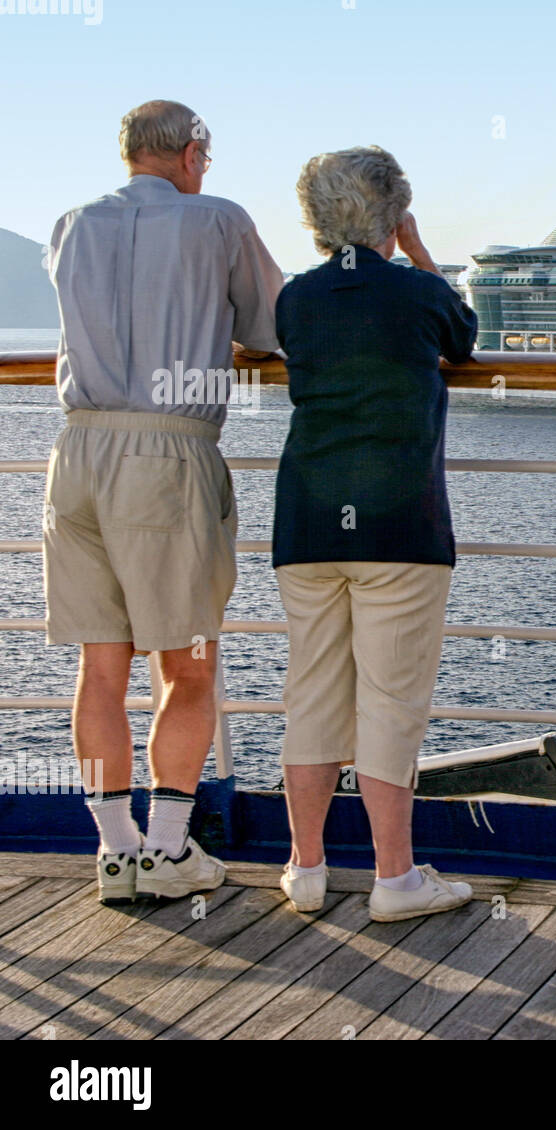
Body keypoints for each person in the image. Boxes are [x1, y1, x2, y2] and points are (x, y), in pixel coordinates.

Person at [44, 100, 282, 905]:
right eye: (203, 158)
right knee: (188, 663)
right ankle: (171, 851)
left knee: (100, 664)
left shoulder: (72, 223)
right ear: (191, 153)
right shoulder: (215, 220)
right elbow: (275, 325)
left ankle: (116, 855)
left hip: (76, 451)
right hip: (166, 451)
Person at [273, 146, 479, 922]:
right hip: (401, 524)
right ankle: (395, 879)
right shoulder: (416, 293)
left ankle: (306, 868)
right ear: (394, 213)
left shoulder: (296, 299)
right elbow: (463, 336)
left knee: (313, 695)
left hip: (308, 521)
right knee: (391, 702)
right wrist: (421, 253)